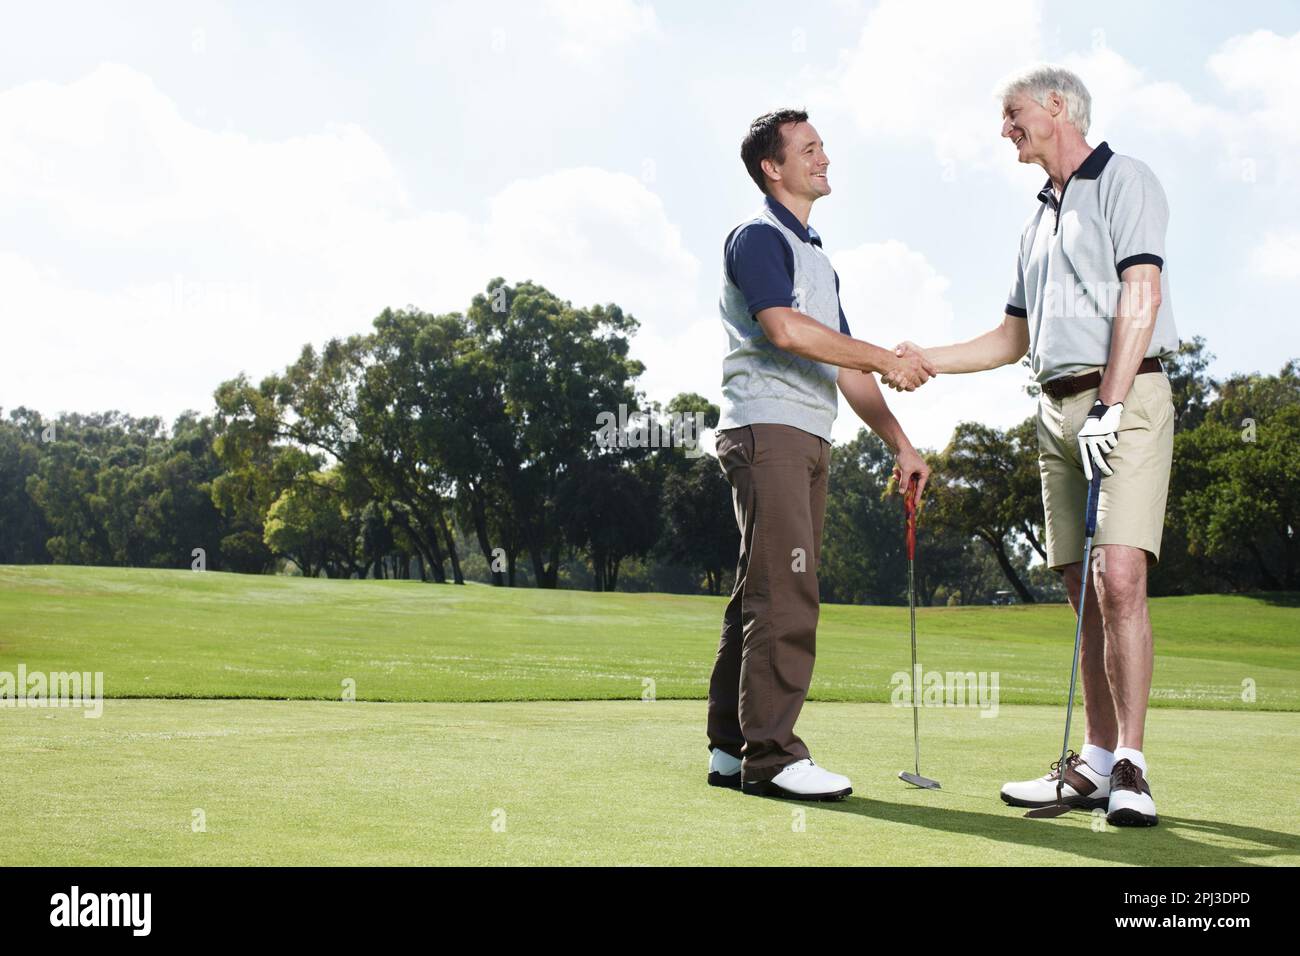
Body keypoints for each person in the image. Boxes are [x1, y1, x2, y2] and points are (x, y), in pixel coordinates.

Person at [895, 65, 1177, 826]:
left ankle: (1133, 768)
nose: (1004, 129)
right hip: (1053, 410)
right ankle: (1091, 759)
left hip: (1124, 396)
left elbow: (1141, 294)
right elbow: (1010, 338)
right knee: (1080, 590)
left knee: (1119, 578)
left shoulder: (1126, 179)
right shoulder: (1034, 222)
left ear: (1058, 107)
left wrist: (1111, 406)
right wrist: (920, 361)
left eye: (1013, 114)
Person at [707, 108, 933, 800]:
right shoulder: (757, 238)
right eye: (809, 149)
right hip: (768, 430)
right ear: (773, 167)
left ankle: (730, 746)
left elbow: (846, 367)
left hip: (807, 434)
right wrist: (881, 355)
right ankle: (771, 758)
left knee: (761, 588)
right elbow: (786, 330)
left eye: (823, 146)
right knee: (788, 588)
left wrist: (901, 442)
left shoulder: (817, 258)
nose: (825, 157)